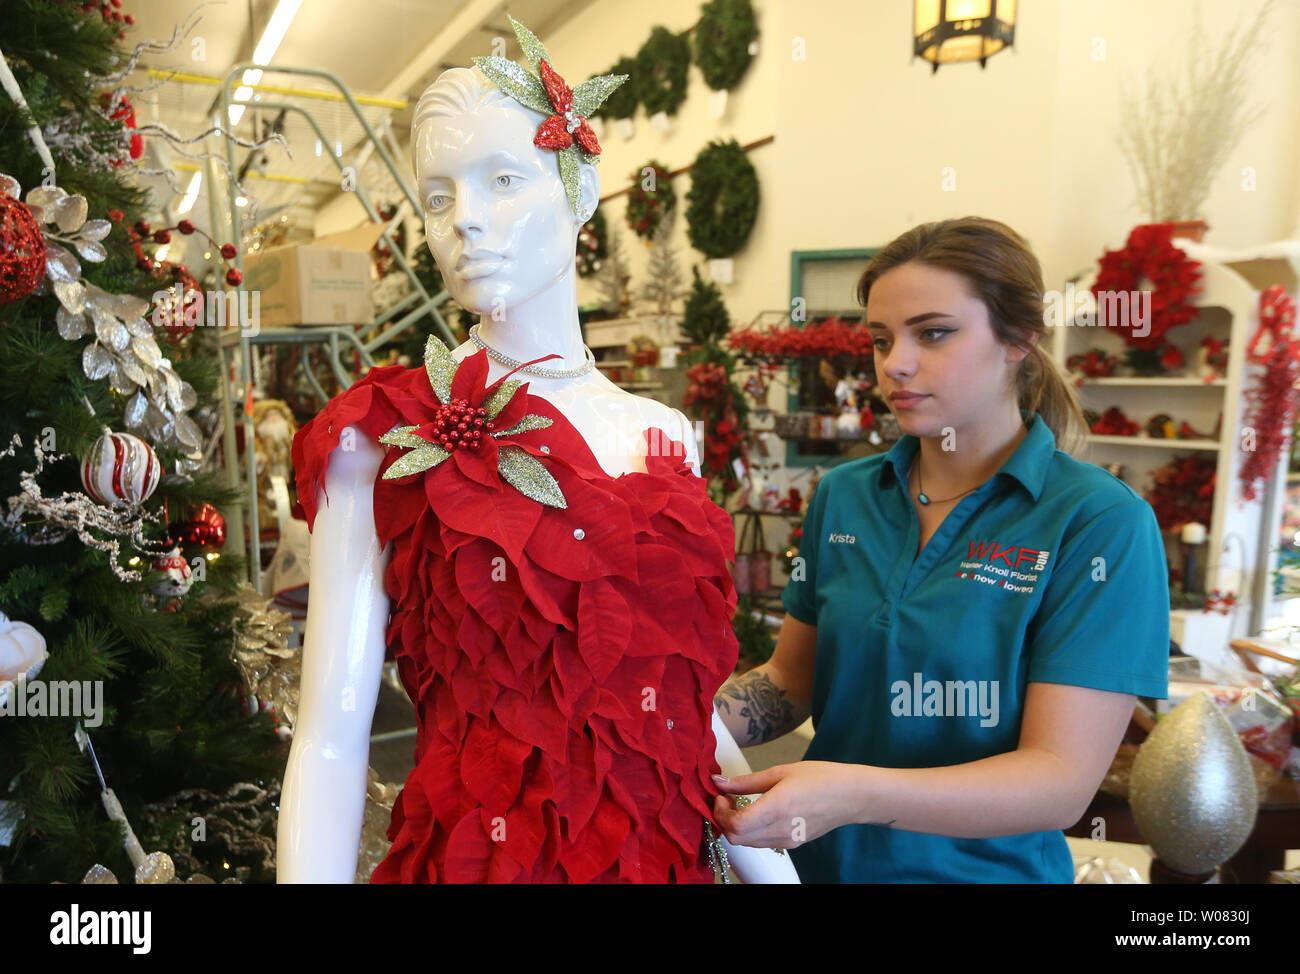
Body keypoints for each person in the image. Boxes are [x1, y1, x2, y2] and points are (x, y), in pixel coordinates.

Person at [279, 17, 796, 883]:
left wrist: (774, 876)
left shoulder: (663, 436)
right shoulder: (388, 439)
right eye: (438, 197)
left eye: (504, 180)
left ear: (582, 187)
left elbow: (681, 707)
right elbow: (331, 735)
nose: (464, 224)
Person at [712, 216, 1170, 883]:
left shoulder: (1098, 523)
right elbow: (792, 680)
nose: (894, 362)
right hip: (806, 868)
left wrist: (856, 794)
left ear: (1019, 338)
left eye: (933, 333)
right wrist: (684, 713)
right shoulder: (844, 497)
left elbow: (1060, 781)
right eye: (880, 339)